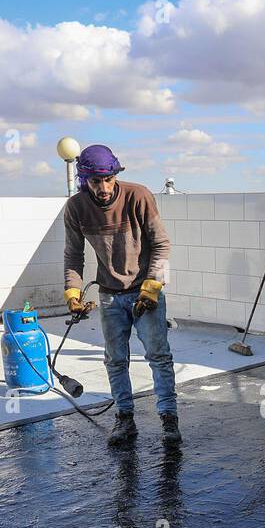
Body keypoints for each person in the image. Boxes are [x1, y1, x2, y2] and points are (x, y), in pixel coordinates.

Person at [63, 144, 180, 447]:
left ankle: (169, 420)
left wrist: (152, 288)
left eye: (108, 179)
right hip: (110, 296)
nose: (103, 188)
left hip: (145, 291)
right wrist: (73, 294)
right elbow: (73, 256)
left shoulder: (138, 196)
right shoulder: (76, 208)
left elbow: (161, 245)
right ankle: (124, 419)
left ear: (115, 174)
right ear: (84, 180)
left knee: (158, 356)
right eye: (95, 182)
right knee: (115, 360)